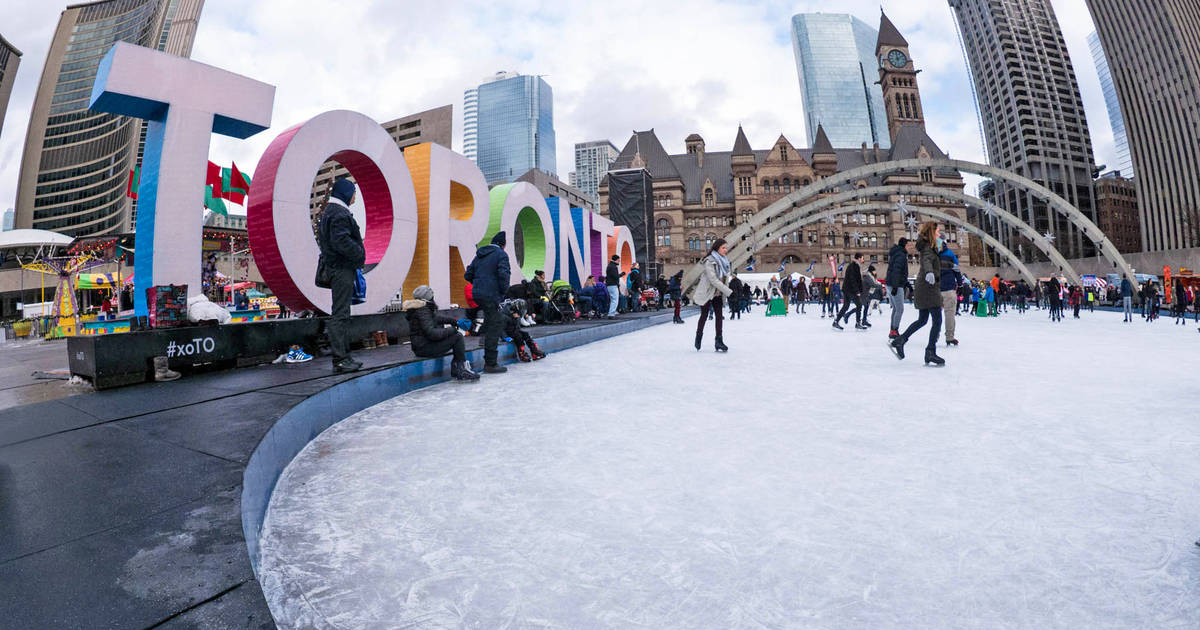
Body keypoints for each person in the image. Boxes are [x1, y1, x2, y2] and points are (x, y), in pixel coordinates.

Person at [317, 177, 366, 373]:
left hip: (337, 268)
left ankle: (345, 357)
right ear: (345, 193)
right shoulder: (339, 213)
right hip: (341, 269)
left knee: (342, 313)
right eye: (353, 193)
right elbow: (341, 241)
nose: (355, 197)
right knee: (340, 314)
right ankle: (340, 359)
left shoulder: (332, 211)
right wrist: (359, 255)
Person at [888, 222, 945, 366]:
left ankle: (900, 341)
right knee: (937, 320)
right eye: (937, 231)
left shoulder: (930, 247)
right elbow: (926, 261)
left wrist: (949, 266)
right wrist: (930, 272)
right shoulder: (928, 247)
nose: (939, 234)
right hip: (928, 287)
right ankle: (930, 352)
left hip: (925, 286)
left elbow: (933, 261)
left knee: (922, 320)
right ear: (932, 232)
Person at [403, 285, 479, 381]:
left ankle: (457, 368)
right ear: (429, 297)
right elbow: (432, 334)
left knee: (455, 336)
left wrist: (455, 321)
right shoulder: (423, 311)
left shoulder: (420, 309)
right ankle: (461, 369)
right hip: (424, 348)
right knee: (457, 337)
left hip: (421, 346)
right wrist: (453, 330)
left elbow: (437, 319)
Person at [465, 231, 512, 373]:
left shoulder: (479, 255)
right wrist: (502, 292)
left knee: (491, 319)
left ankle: (483, 342)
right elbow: (504, 276)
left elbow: (468, 274)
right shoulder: (501, 254)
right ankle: (490, 364)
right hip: (491, 294)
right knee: (496, 324)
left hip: (478, 294)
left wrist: (479, 284)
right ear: (503, 245)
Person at [693, 238, 733, 352]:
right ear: (717, 248)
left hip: (718, 293)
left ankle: (719, 341)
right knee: (704, 315)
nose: (725, 250)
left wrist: (724, 291)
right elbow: (713, 280)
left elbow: (725, 278)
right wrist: (729, 292)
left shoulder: (725, 261)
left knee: (719, 316)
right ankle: (698, 337)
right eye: (723, 248)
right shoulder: (709, 261)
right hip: (707, 292)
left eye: (726, 248)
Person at [885, 237, 911, 338]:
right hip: (895, 285)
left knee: (896, 308)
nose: (909, 247)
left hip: (891, 284)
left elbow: (899, 272)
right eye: (908, 245)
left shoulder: (896, 254)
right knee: (899, 309)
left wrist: (906, 283)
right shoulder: (901, 255)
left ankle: (893, 329)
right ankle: (894, 330)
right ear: (905, 245)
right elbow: (896, 271)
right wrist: (896, 286)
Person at [834, 253, 865, 330]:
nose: (863, 259)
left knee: (846, 306)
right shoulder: (853, 266)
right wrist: (857, 291)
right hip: (850, 290)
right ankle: (858, 323)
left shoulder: (855, 266)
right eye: (862, 258)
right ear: (859, 258)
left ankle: (836, 321)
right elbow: (853, 279)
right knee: (859, 305)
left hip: (847, 289)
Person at [938, 240, 961, 347]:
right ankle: (949, 337)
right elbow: (957, 270)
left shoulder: (933, 253)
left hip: (936, 289)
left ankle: (935, 335)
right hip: (948, 288)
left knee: (936, 314)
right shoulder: (950, 254)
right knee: (949, 313)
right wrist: (960, 284)